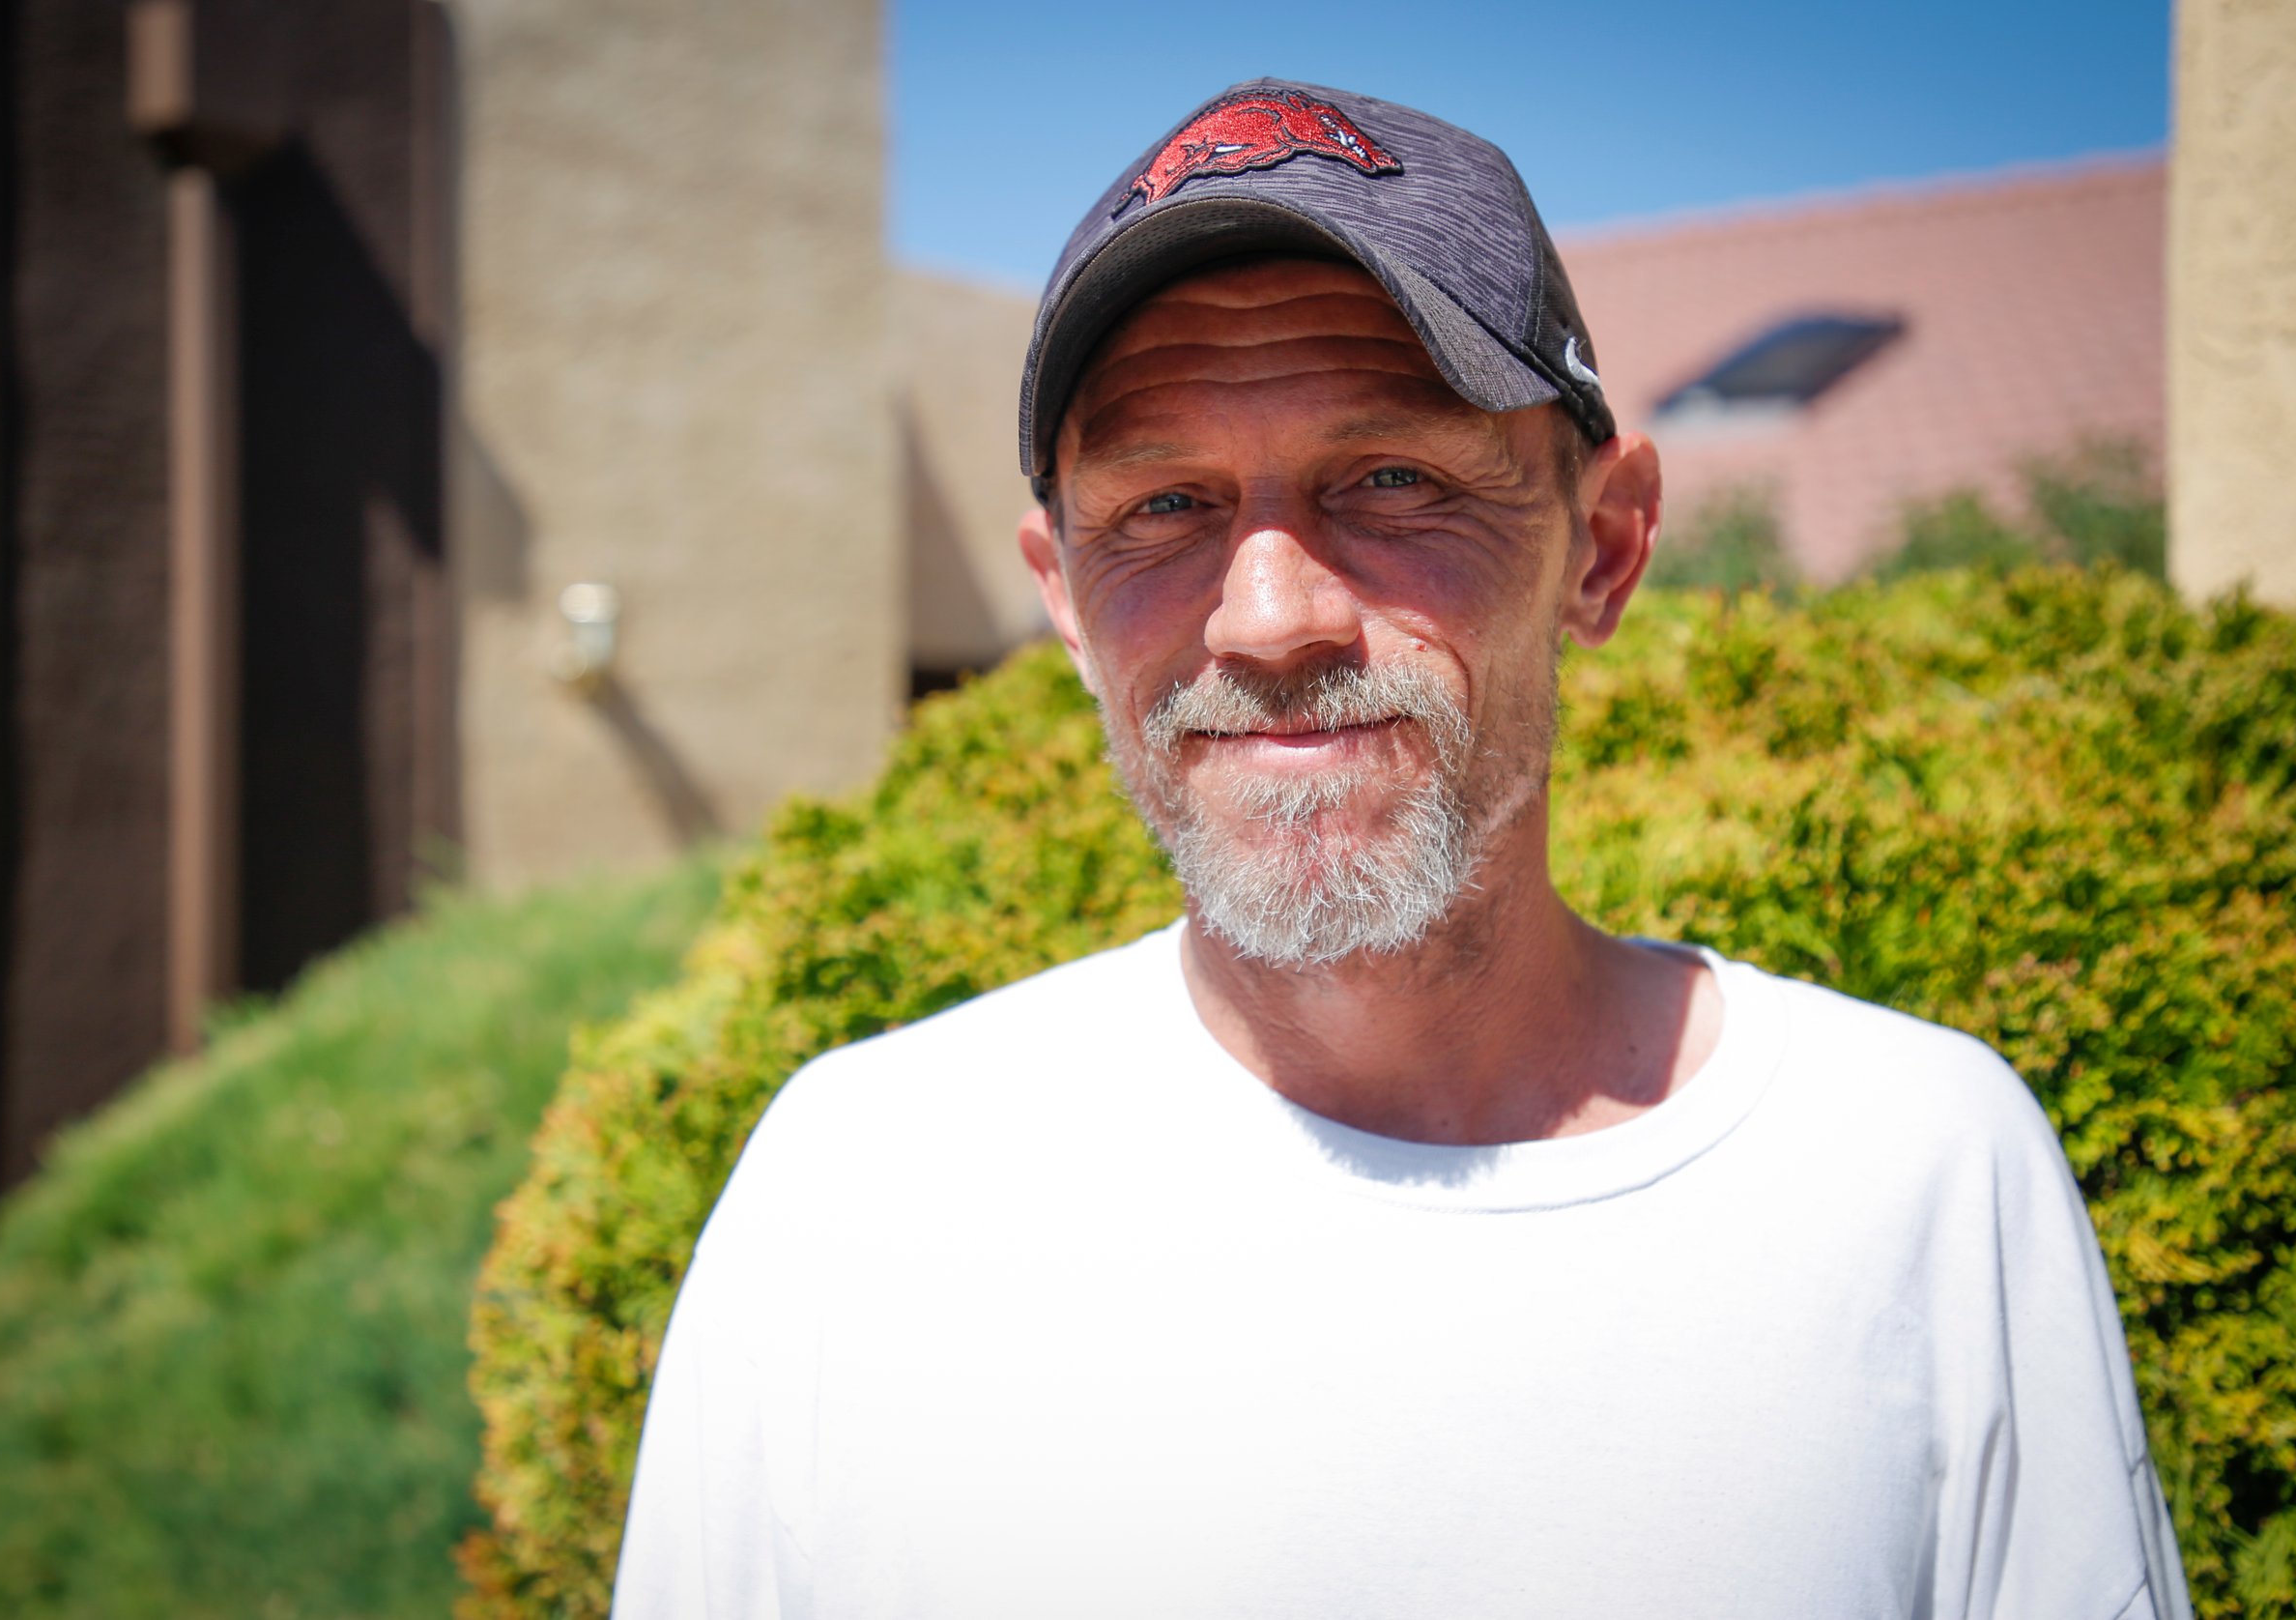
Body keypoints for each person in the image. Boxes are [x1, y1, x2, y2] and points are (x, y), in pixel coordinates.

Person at [611, 80, 2191, 1619]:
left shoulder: (1919, 1171)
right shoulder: (854, 1193)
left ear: (1606, 547)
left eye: (1394, 480)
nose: (1273, 616)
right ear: (1066, 600)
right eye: (1164, 503)